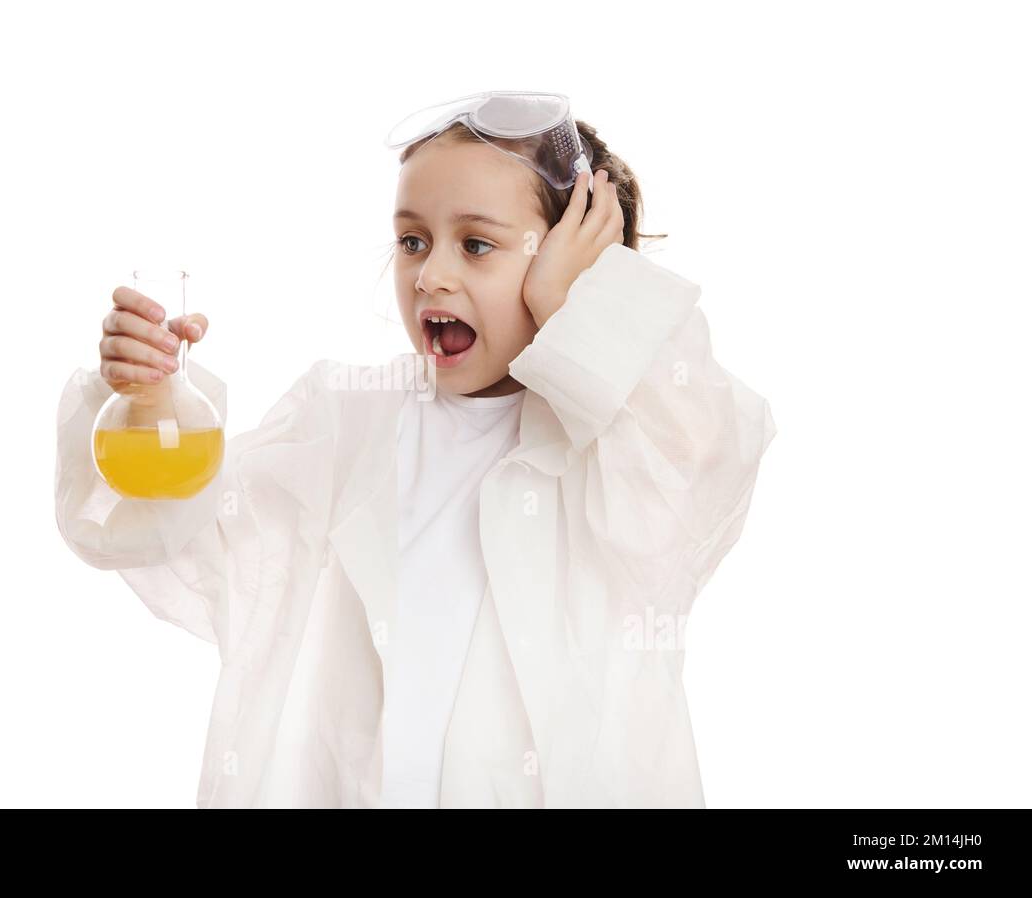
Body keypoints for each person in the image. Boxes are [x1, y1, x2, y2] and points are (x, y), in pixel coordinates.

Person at [54, 92, 777, 808]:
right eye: (412, 241)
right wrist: (145, 401)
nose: (430, 274)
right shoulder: (341, 426)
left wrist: (576, 303)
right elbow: (176, 541)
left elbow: (703, 460)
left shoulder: (618, 447)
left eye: (477, 244)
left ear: (574, 259)